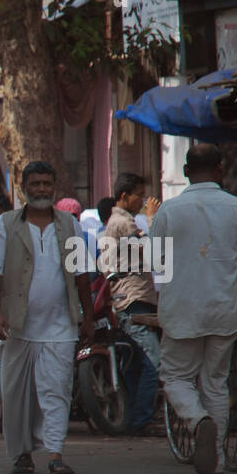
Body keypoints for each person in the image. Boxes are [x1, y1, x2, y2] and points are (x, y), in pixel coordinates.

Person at [151, 144, 237, 474]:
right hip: (224, 312)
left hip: (181, 311)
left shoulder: (169, 210)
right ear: (220, 170)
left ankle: (198, 421)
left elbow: (155, 262)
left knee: (176, 377)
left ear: (186, 172)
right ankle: (215, 462)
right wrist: (234, 293)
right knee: (215, 383)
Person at [0, 161, 93, 474]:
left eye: (47, 183)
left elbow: (81, 274)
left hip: (60, 326)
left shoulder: (70, 226)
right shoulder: (5, 224)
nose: (41, 189)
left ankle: (56, 455)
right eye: (36, 183)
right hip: (18, 325)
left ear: (54, 187)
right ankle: (22, 453)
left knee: (56, 389)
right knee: (18, 394)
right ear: (24, 187)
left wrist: (86, 318)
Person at [99, 173, 163, 434]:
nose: (144, 200)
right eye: (139, 194)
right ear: (124, 196)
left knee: (136, 363)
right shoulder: (123, 223)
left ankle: (128, 417)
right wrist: (152, 219)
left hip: (136, 298)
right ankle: (140, 419)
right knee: (154, 361)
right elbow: (152, 252)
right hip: (132, 299)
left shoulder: (122, 222)